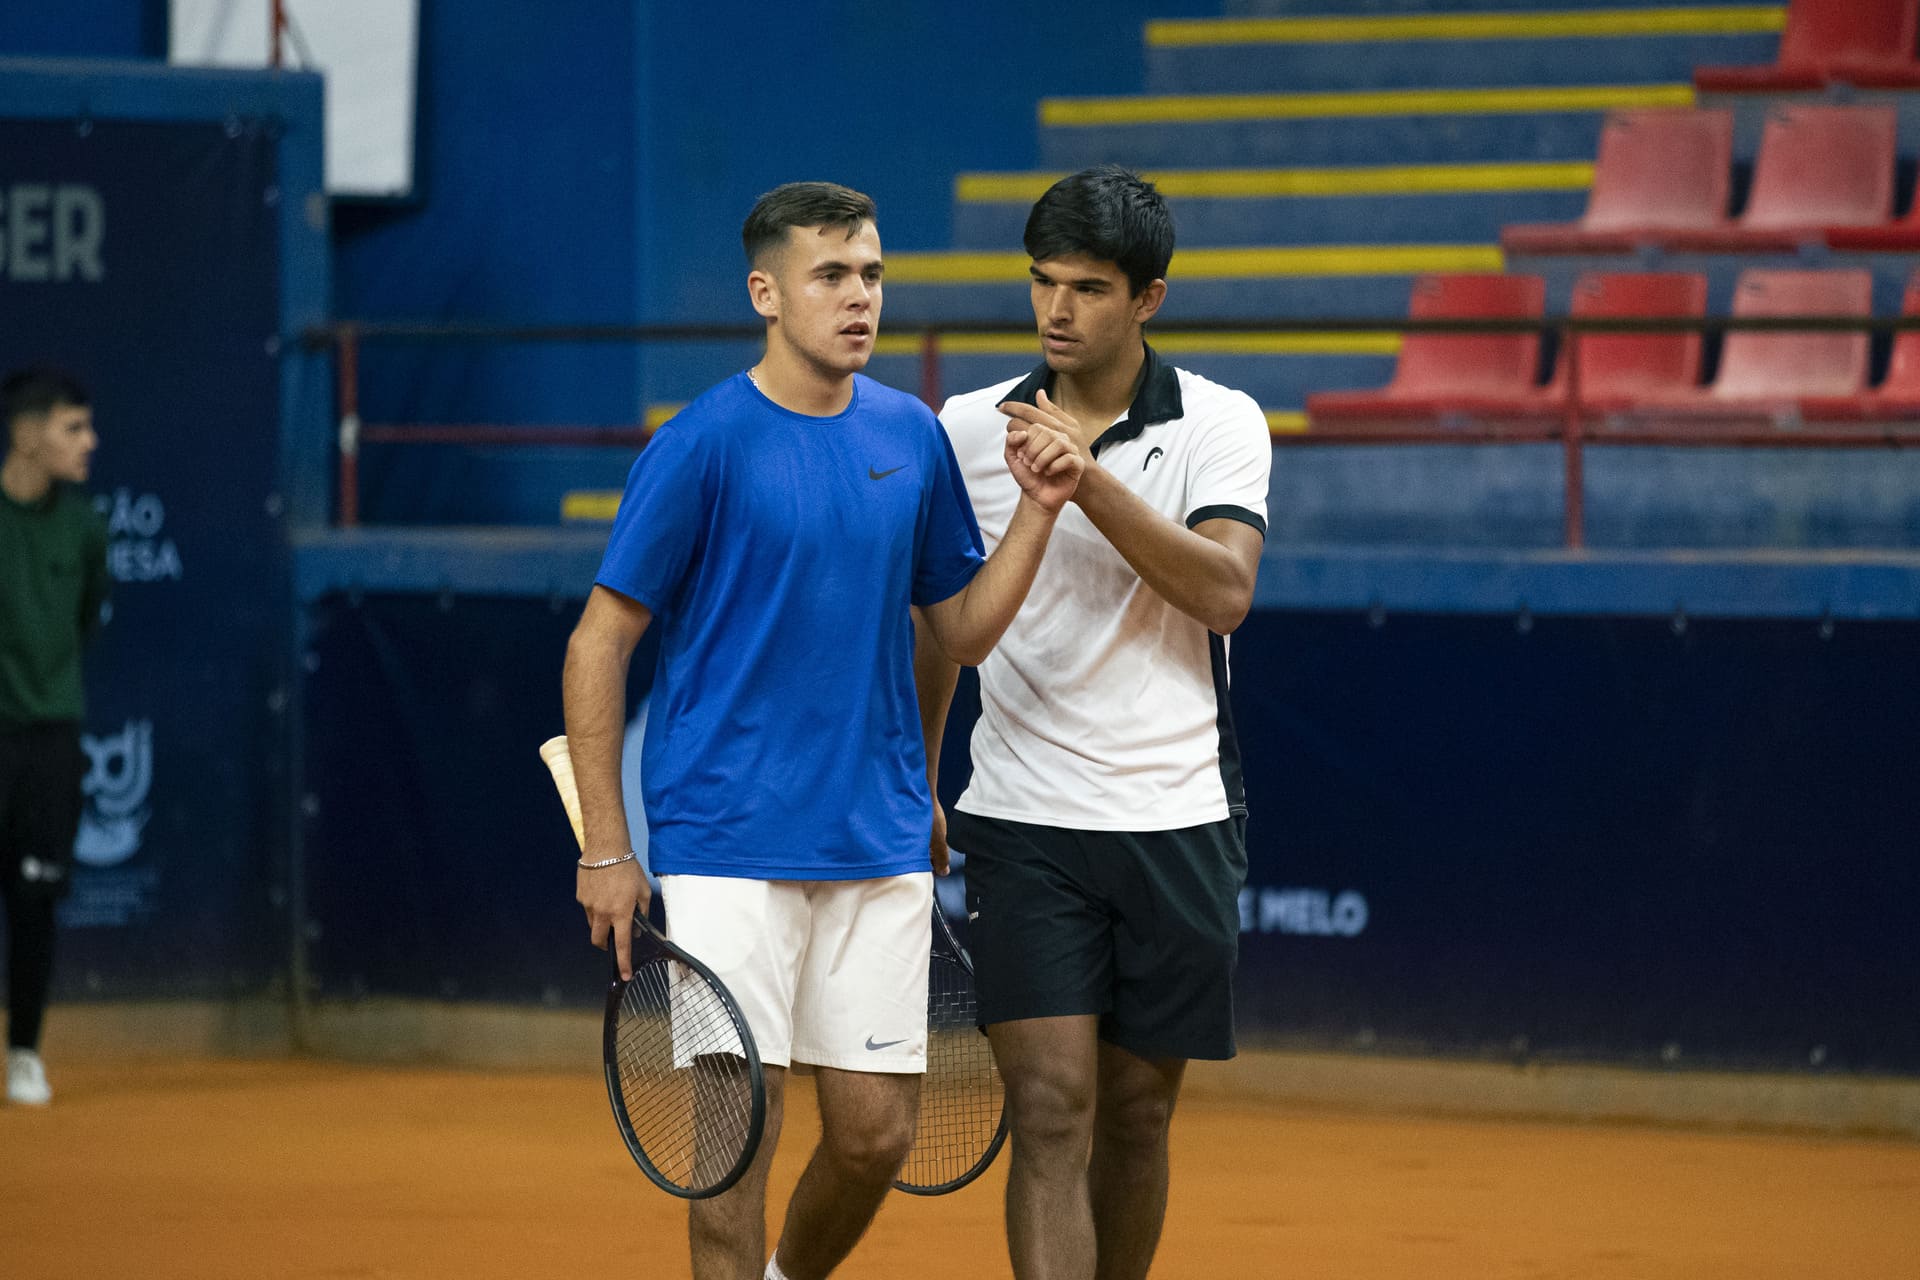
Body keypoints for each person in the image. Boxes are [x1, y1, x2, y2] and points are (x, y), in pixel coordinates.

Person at [563, 182, 1082, 1280]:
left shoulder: (911, 434)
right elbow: (598, 643)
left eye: (873, 275)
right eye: (831, 276)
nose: (860, 299)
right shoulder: (699, 445)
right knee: (731, 1154)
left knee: (875, 1134)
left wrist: (1038, 512)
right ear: (767, 292)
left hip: (878, 838)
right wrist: (609, 846)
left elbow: (963, 631)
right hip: (726, 839)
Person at [913, 166, 1270, 1279]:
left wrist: (1087, 483)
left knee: (1136, 1115)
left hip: (1179, 816)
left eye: (1089, 287)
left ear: (1148, 299)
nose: (1057, 309)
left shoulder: (1221, 421)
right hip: (1025, 817)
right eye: (1042, 282)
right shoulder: (965, 428)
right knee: (1054, 1106)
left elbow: (1223, 591)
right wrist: (920, 777)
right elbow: (937, 628)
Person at [1, 367, 108, 1108]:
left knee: (36, 901)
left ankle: (24, 1053)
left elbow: (84, 617)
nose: (89, 442)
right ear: (27, 433)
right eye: (73, 428)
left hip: (49, 740)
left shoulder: (87, 527)